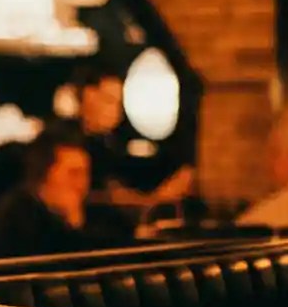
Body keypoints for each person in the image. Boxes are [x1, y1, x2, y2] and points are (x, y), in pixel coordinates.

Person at [0, 125, 128, 260]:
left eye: (85, 174)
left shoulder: (95, 216)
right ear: (43, 173)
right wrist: (73, 228)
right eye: (73, 173)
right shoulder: (17, 218)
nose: (81, 184)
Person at [69, 64, 196, 207]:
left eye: (119, 104)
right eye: (109, 100)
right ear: (87, 97)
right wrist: (158, 200)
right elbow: (108, 196)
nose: (116, 111)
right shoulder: (71, 143)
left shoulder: (112, 143)